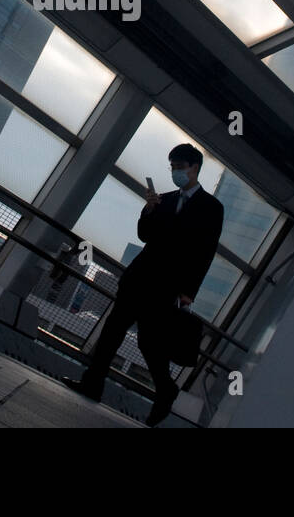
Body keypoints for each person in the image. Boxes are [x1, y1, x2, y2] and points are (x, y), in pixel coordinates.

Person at [62, 143, 224, 426]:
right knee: (112, 331)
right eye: (172, 166)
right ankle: (92, 384)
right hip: (139, 278)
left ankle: (165, 389)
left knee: (149, 342)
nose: (175, 172)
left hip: (166, 285)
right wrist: (148, 210)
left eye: (179, 167)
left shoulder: (211, 208)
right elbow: (145, 235)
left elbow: (205, 252)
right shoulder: (163, 199)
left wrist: (188, 293)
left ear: (194, 168)